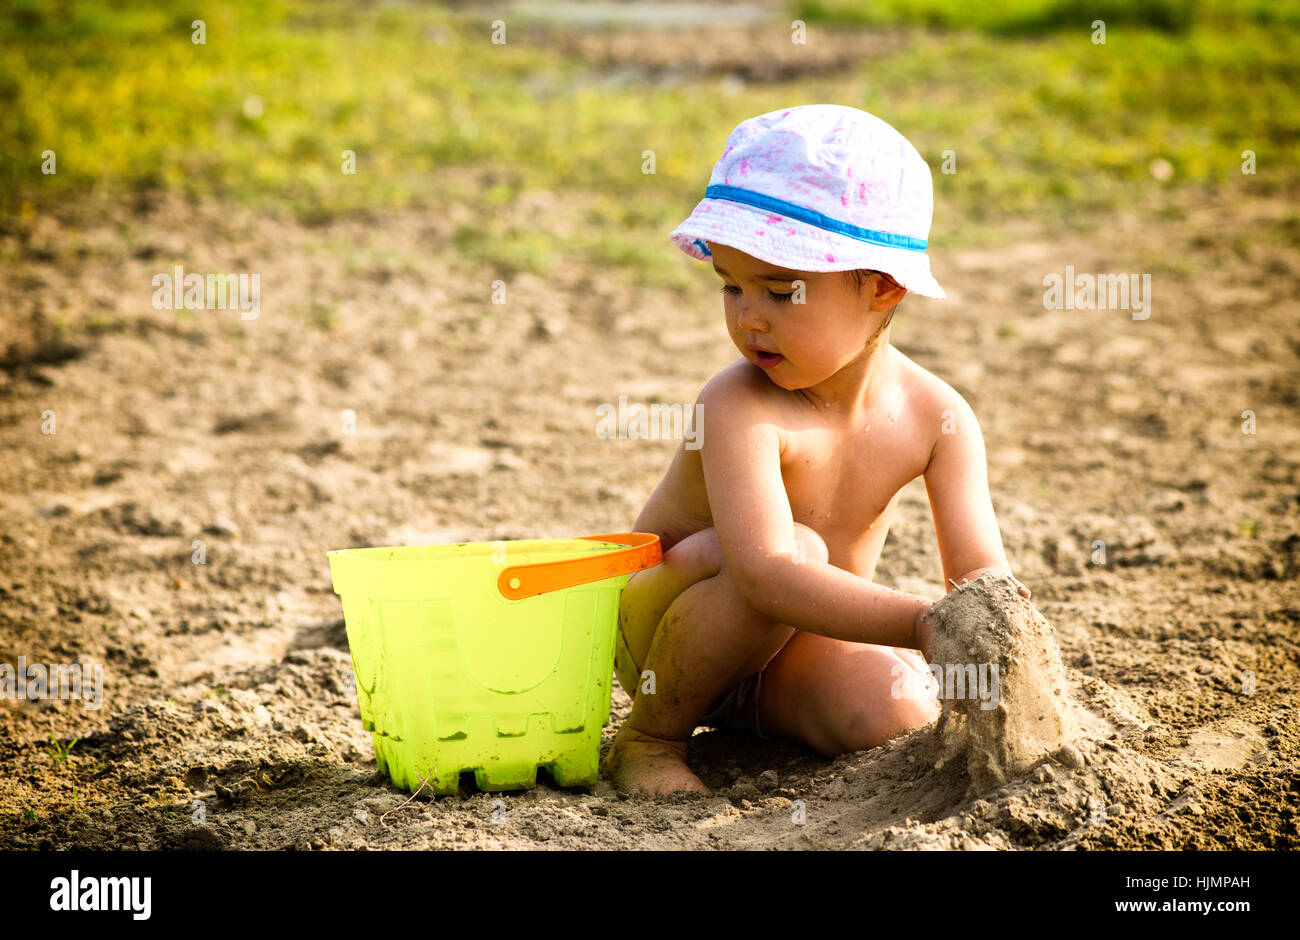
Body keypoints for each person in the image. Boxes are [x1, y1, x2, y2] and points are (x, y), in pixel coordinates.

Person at [602, 104, 1031, 796]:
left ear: (882, 286)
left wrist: (994, 633)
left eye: (781, 291)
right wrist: (920, 622)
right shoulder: (737, 403)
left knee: (900, 704)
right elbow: (767, 573)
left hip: (795, 649)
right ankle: (649, 739)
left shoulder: (939, 416)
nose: (748, 317)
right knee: (795, 548)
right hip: (668, 634)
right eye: (732, 287)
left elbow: (977, 580)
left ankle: (757, 725)